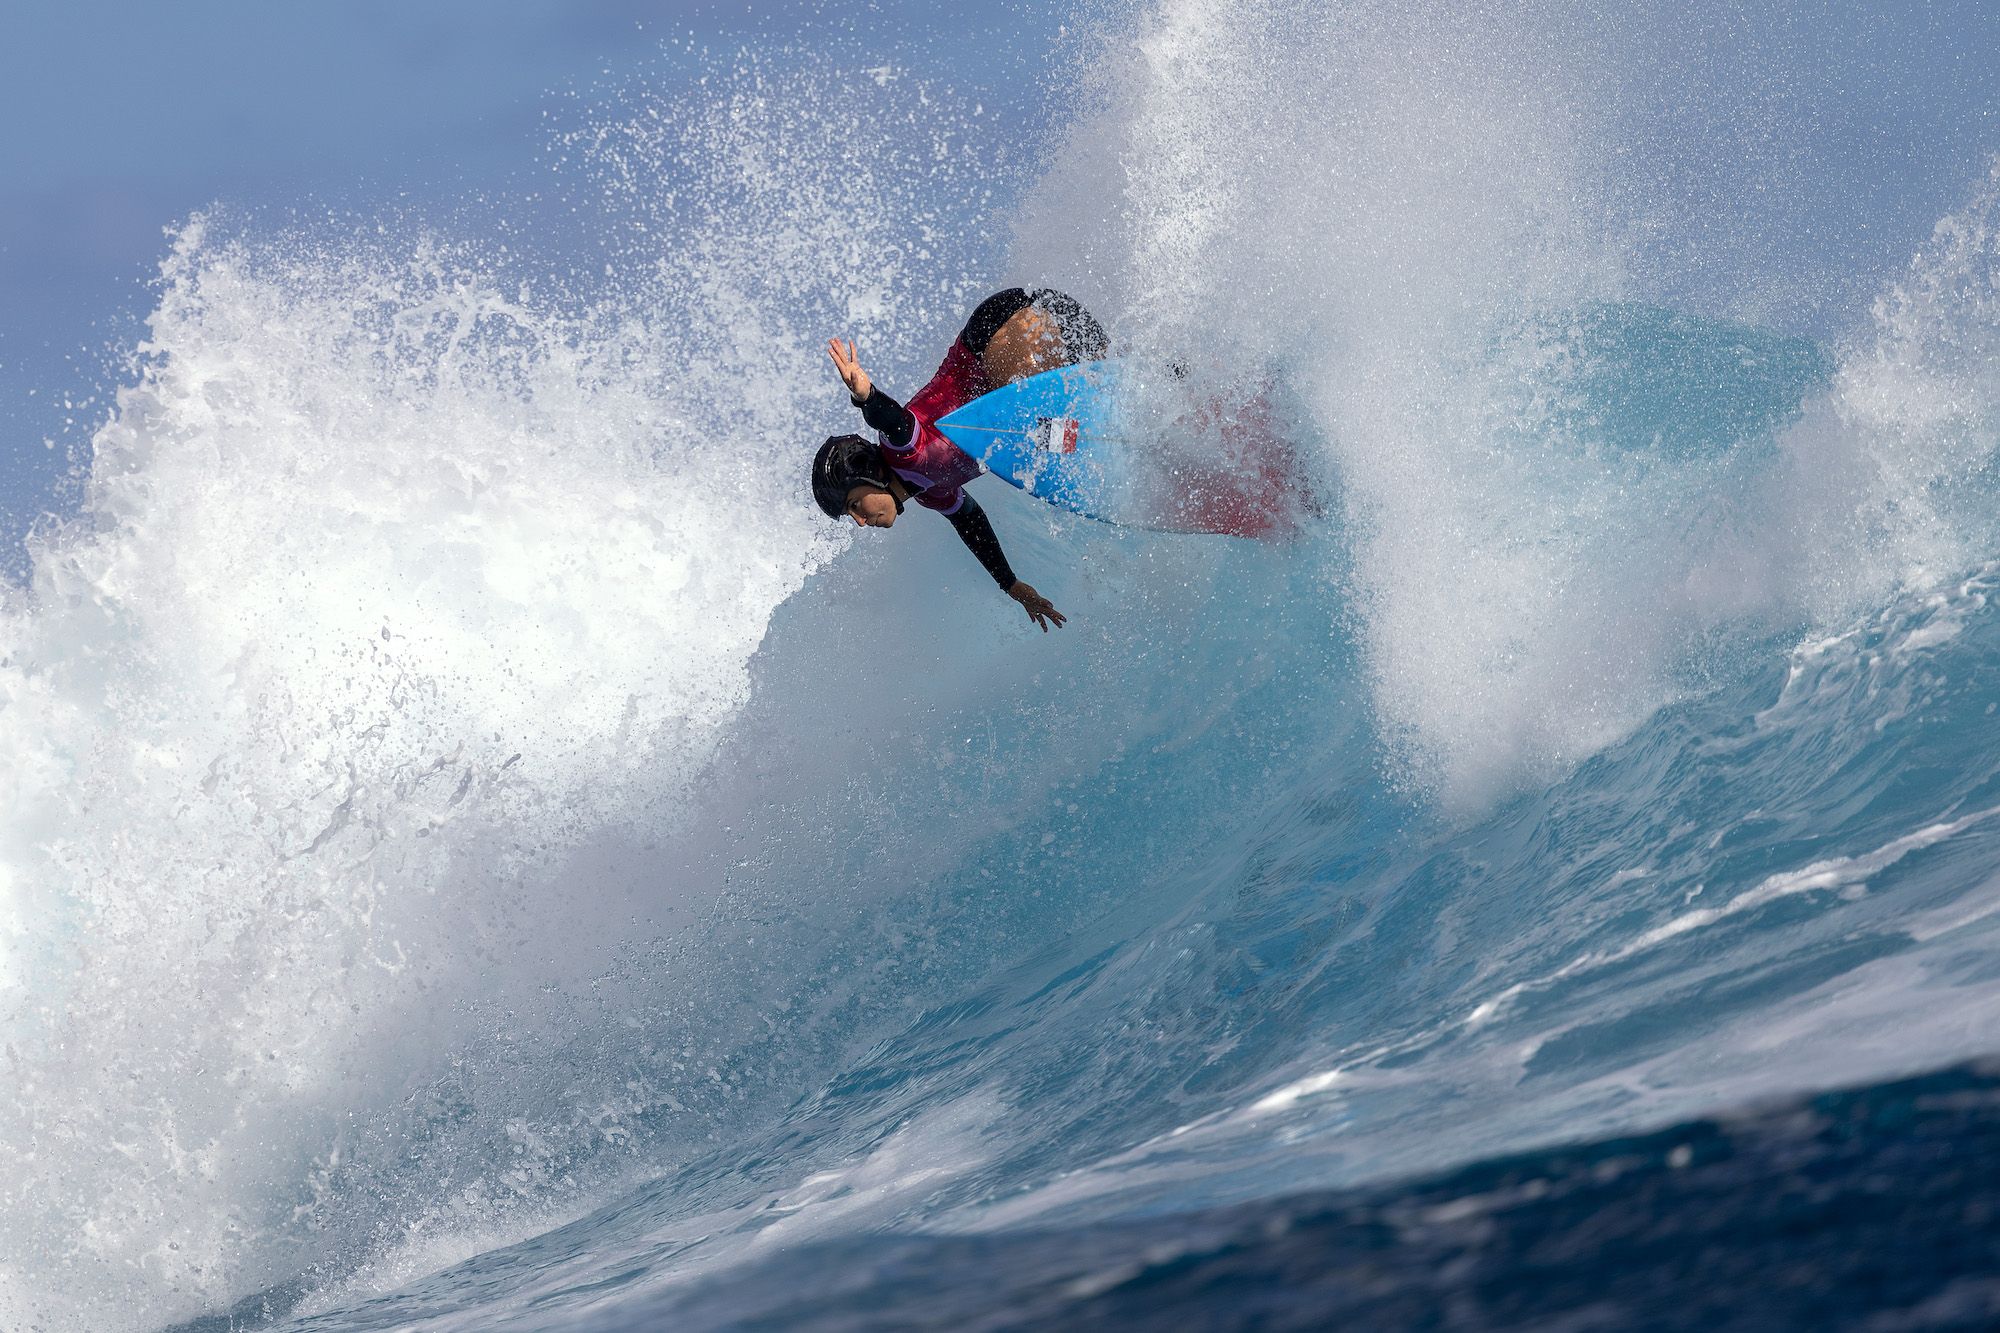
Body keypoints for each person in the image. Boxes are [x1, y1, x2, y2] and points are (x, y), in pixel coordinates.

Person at [810, 289, 1109, 633]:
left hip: (995, 332)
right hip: (1027, 345)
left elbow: (892, 420)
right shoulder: (929, 493)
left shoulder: (903, 450)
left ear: (865, 475)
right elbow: (970, 521)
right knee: (1084, 414)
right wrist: (1010, 584)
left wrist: (867, 397)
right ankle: (1166, 379)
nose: (861, 521)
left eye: (853, 505)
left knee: (1032, 418)